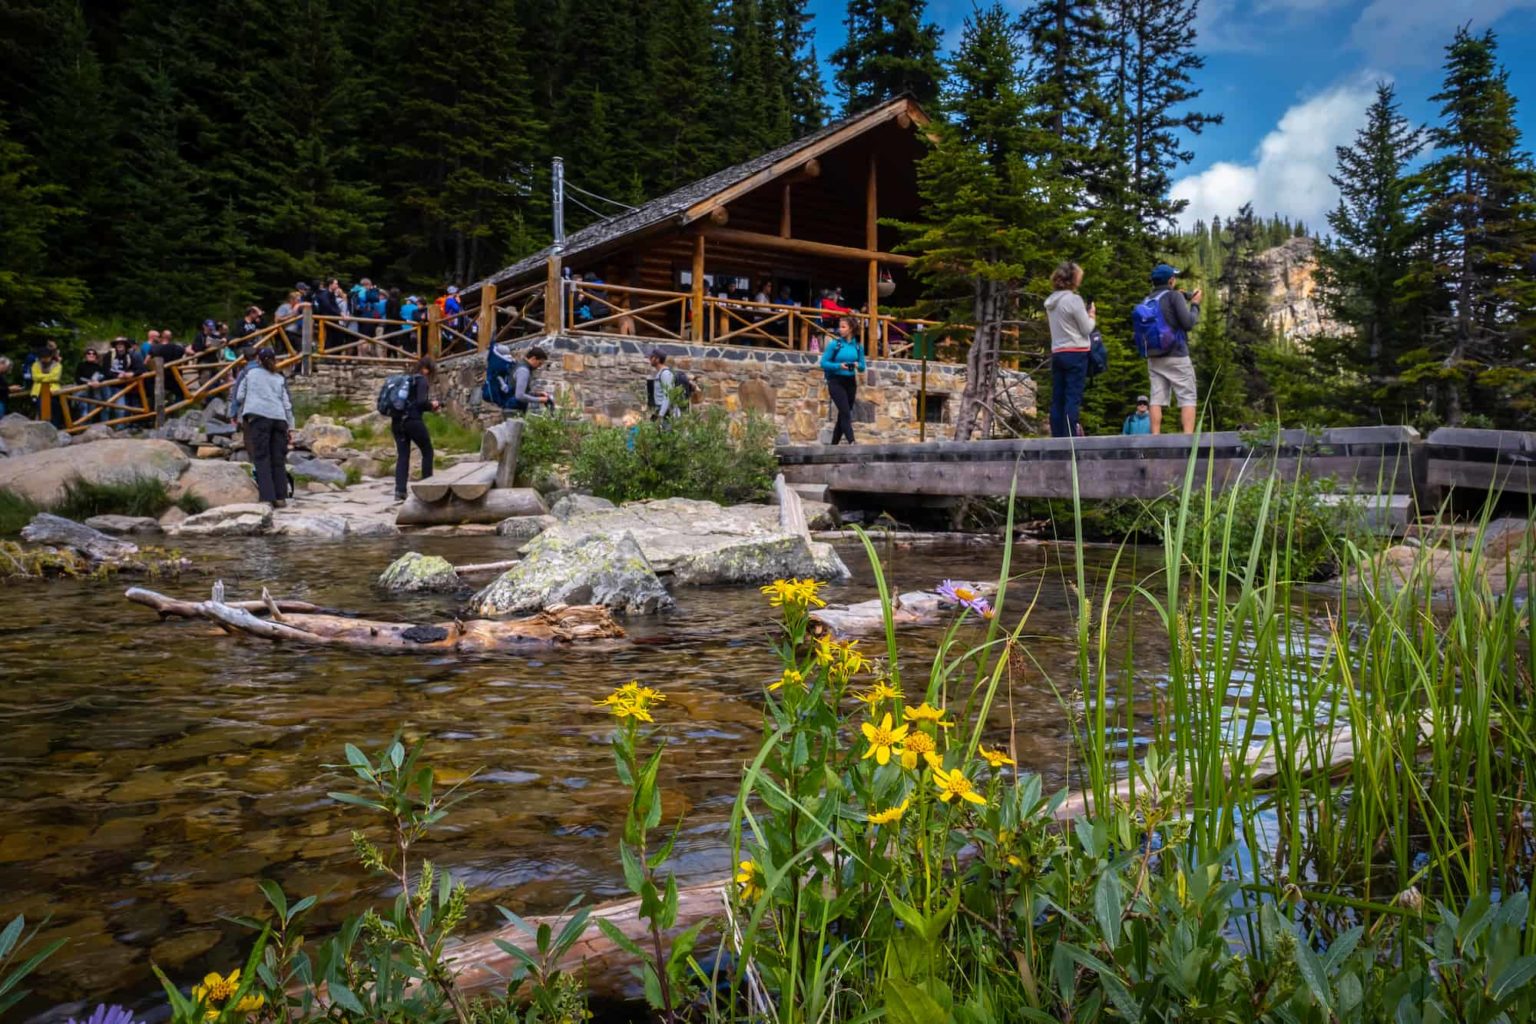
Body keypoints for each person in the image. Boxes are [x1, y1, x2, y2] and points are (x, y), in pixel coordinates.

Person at [1141, 263, 1201, 435]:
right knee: (1187, 396)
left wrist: (1184, 296)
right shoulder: (1174, 297)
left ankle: (1155, 438)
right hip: (1177, 354)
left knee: (1156, 398)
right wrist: (1195, 305)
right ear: (1171, 280)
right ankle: (1188, 438)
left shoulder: (1147, 300)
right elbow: (1188, 323)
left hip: (1154, 356)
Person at [233, 348, 294, 507]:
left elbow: (239, 397)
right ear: (275, 360)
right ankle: (281, 497)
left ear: (258, 360)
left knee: (262, 457)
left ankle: (267, 497)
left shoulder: (250, 374)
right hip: (279, 419)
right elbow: (287, 404)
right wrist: (291, 427)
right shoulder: (279, 378)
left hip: (259, 418)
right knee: (278, 459)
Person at [1044, 261, 1096, 438]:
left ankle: (1057, 436)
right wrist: (1091, 316)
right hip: (1076, 353)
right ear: (1073, 279)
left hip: (1058, 352)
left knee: (1057, 397)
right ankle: (1070, 438)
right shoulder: (1073, 300)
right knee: (1072, 398)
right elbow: (1086, 329)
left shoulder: (1051, 301)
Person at [391, 356, 441, 501]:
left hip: (397, 422)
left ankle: (400, 491)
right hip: (412, 421)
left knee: (403, 455)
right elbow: (420, 402)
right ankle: (427, 487)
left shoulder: (407, 379)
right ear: (426, 369)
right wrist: (432, 405)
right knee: (427, 450)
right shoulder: (421, 380)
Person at [819, 316, 866, 445]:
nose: (840, 329)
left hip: (850, 382)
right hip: (835, 381)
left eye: (843, 327)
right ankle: (852, 441)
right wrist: (838, 366)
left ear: (851, 329)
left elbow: (862, 367)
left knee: (843, 415)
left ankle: (834, 445)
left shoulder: (858, 346)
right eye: (840, 326)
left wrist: (857, 365)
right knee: (845, 411)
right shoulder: (835, 344)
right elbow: (823, 363)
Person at [507, 346, 554, 415]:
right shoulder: (523, 370)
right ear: (533, 358)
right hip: (513, 410)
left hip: (512, 408)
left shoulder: (520, 366)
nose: (539, 366)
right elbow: (519, 396)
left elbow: (519, 391)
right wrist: (540, 400)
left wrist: (537, 394)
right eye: (539, 363)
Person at [74, 347, 109, 424]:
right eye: (89, 353)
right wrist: (88, 383)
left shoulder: (98, 367)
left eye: (93, 354)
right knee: (84, 412)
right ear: (85, 356)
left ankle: (89, 429)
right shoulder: (81, 365)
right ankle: (82, 429)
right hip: (83, 393)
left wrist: (98, 381)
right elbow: (77, 378)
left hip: (94, 393)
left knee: (91, 412)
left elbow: (104, 376)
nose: (91, 355)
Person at [30, 346, 63, 425]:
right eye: (43, 357)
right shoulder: (35, 365)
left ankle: (55, 428)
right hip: (38, 392)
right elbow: (35, 377)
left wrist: (41, 377)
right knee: (41, 411)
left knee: (55, 411)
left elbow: (55, 377)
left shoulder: (57, 365)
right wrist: (49, 376)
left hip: (54, 391)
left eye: (46, 357)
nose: (45, 359)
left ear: (51, 356)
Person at [648, 349, 682, 421]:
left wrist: (660, 416)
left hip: (667, 414)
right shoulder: (660, 373)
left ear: (657, 359)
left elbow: (668, 396)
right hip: (662, 411)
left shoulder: (665, 374)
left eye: (651, 357)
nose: (649, 359)